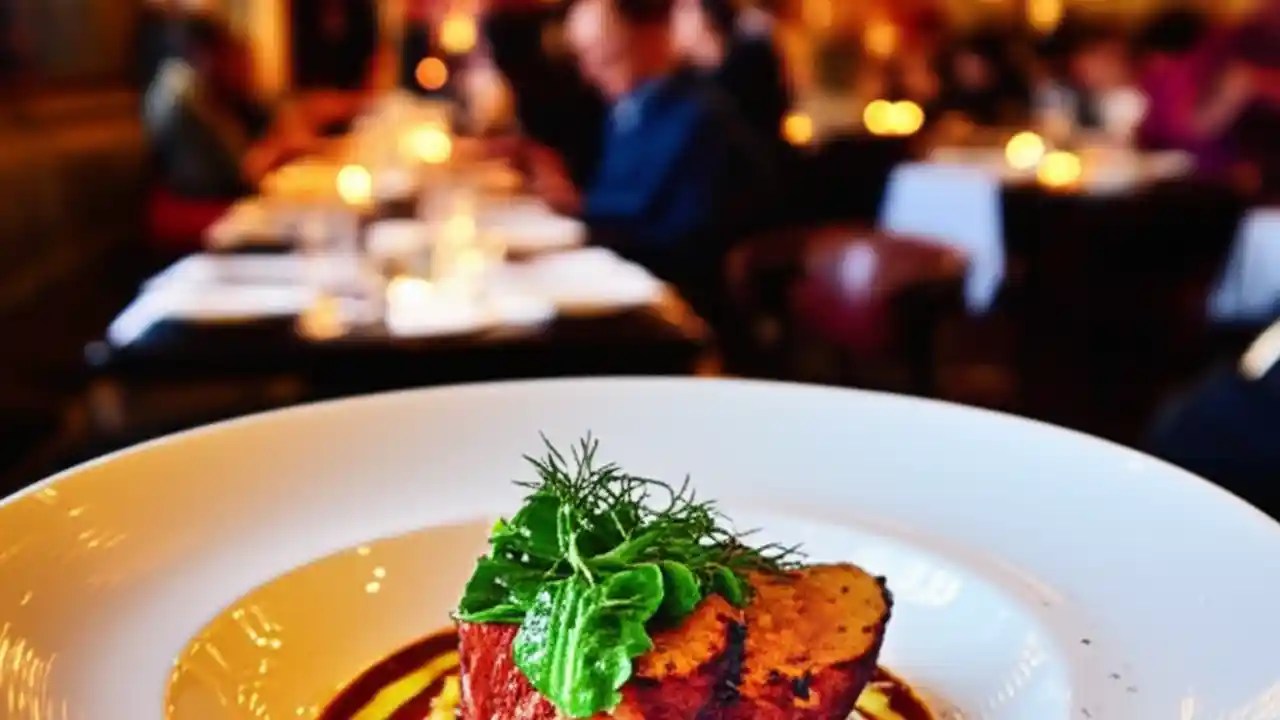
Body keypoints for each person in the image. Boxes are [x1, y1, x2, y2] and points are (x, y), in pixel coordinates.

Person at [543, 0, 776, 313]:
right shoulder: (628, 110)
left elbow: (681, 244)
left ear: (652, 37)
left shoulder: (698, 117)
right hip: (629, 280)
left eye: (603, 54)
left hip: (680, 304)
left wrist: (577, 214)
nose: (589, 72)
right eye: (582, 56)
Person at [144, 15, 312, 199]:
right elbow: (244, 171)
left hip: (206, 191)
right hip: (201, 200)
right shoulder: (188, 93)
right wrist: (281, 150)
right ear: (203, 53)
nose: (244, 69)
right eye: (231, 58)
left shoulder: (179, 81)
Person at [672, 0, 791, 145]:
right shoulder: (683, 81)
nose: (674, 21)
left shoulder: (752, 64)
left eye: (683, 10)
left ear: (705, 17)